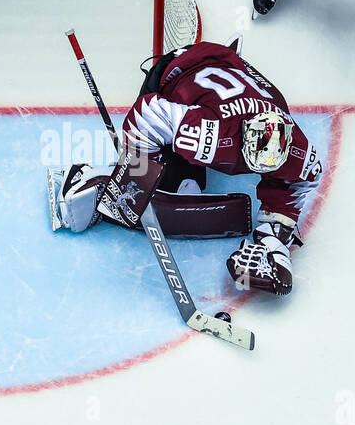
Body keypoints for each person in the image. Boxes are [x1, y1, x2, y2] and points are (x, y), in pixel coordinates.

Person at [53, 39, 322, 296]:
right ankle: (85, 179)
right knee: (174, 177)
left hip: (235, 69)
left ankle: (175, 171)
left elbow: (301, 179)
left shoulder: (295, 146)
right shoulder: (212, 133)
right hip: (176, 69)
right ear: (242, 136)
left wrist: (273, 242)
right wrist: (135, 179)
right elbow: (145, 116)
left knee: (193, 174)